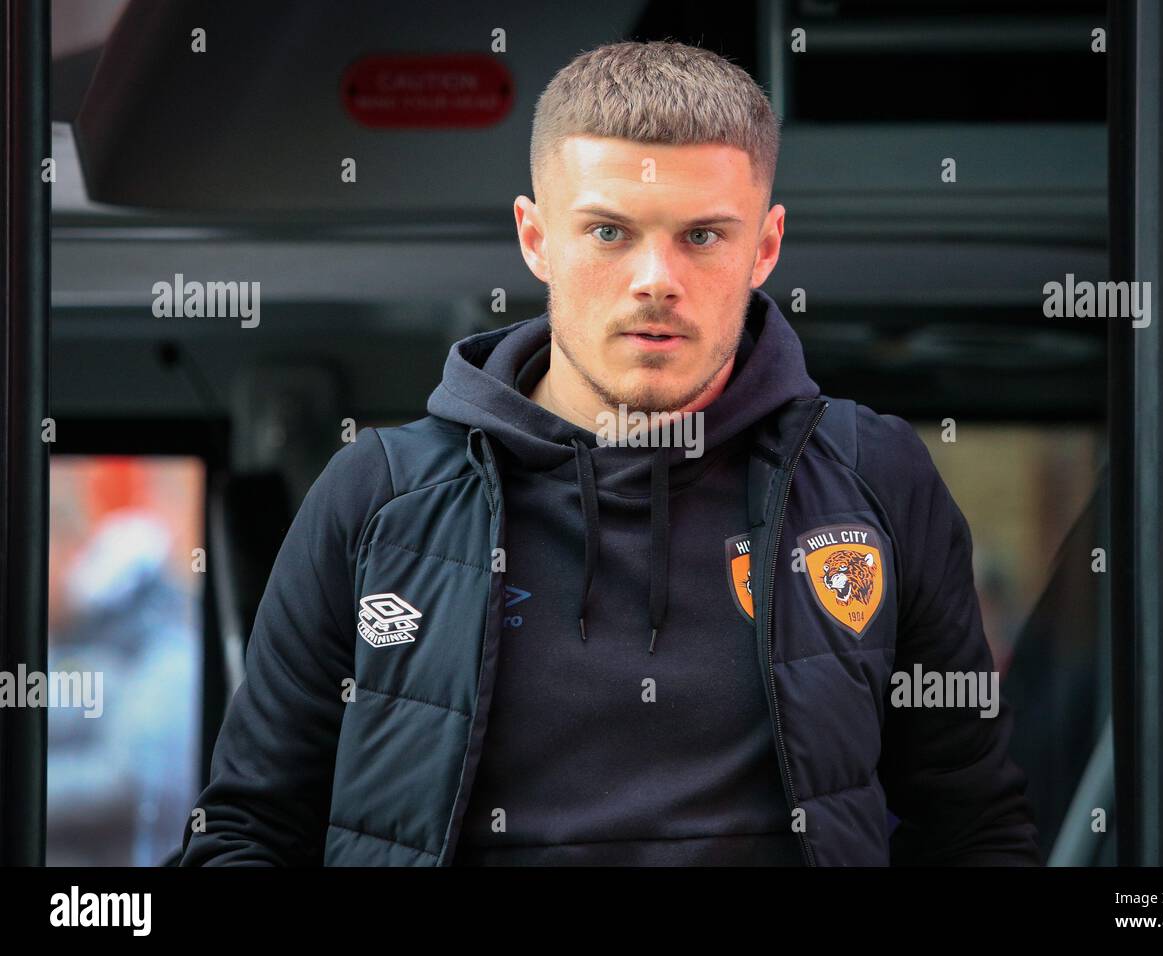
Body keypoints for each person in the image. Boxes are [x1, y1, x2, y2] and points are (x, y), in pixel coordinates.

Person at [180, 39, 1039, 866]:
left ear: (766, 247)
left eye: (702, 235)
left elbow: (973, 831)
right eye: (608, 232)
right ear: (535, 238)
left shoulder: (873, 479)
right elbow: (247, 833)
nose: (654, 279)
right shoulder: (378, 496)